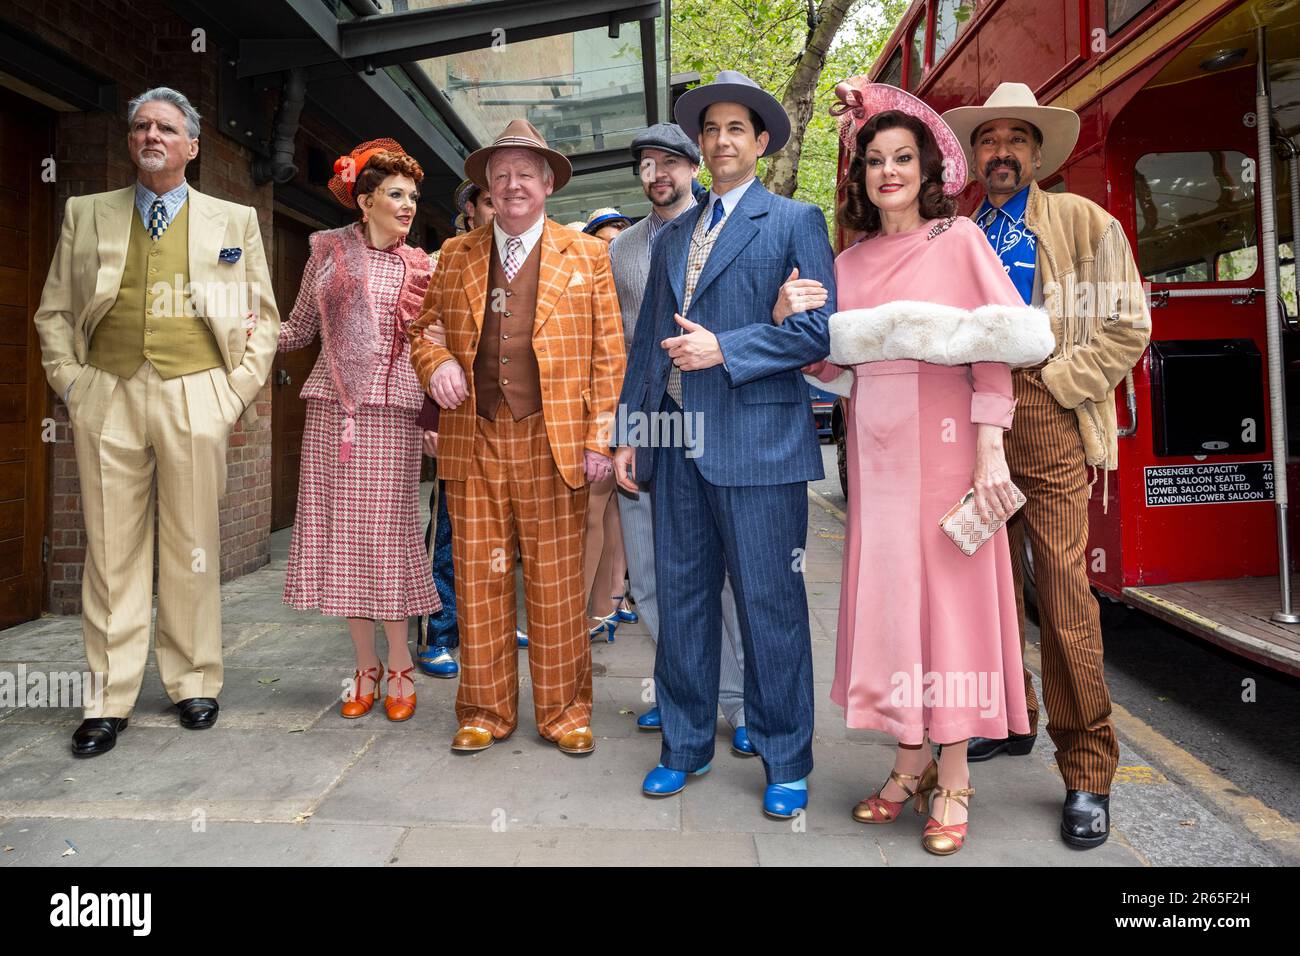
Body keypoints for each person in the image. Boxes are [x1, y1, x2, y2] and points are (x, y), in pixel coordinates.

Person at [801, 80, 1053, 854]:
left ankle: (955, 775)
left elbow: (996, 352)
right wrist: (794, 320)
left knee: (949, 613)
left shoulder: (962, 242)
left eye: (902, 157)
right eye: (875, 160)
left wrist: (988, 448)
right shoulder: (848, 261)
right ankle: (906, 763)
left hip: (948, 453)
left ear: (927, 167)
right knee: (893, 610)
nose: (888, 172)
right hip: (872, 463)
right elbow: (829, 374)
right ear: (861, 176)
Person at [612, 71, 835, 817]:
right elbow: (648, 347)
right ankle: (682, 746)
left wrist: (726, 349)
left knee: (771, 606)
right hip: (676, 448)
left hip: (761, 447)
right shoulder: (673, 233)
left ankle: (785, 758)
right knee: (682, 604)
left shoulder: (797, 221)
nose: (721, 140)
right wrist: (631, 438)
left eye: (735, 128)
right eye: (710, 130)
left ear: (761, 142)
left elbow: (816, 332)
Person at [32, 87, 279, 756]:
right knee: (111, 552)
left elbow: (265, 322)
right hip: (107, 392)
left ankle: (194, 680)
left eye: (167, 128)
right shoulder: (88, 213)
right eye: (141, 126)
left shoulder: (233, 219)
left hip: (195, 392)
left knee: (192, 544)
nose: (152, 136)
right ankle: (108, 699)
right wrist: (74, 384)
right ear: (130, 140)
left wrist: (230, 397)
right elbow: (54, 312)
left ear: (192, 146)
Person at [942, 83, 1151, 847]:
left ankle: (1088, 772)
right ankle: (1015, 718)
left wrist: (1057, 386)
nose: (1001, 152)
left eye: (1015, 140)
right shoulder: (958, 230)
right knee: (985, 589)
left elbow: (1130, 323)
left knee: (1063, 596)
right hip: (966, 420)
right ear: (977, 155)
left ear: (1036, 153)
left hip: (1046, 418)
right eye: (988, 140)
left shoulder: (1081, 222)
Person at [409, 119, 625, 756]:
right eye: (499, 175)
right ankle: (483, 710)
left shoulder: (586, 255)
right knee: (478, 580)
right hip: (474, 438)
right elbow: (425, 332)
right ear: (485, 187)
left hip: (552, 439)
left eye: (525, 174)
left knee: (557, 585)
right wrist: (436, 364)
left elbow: (609, 356)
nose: (512, 185)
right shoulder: (455, 256)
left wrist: (600, 439)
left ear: (548, 183)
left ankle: (564, 713)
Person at [279, 139, 440, 722]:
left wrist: (433, 417)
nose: (408, 206)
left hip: (393, 413)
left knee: (388, 535)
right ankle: (364, 666)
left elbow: (431, 346)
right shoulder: (326, 251)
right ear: (365, 200)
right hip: (331, 411)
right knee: (344, 538)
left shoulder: (422, 265)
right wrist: (241, 330)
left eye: (413, 197)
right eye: (396, 195)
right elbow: (297, 330)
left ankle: (400, 663)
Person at [608, 122, 754, 755]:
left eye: (669, 162)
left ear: (694, 167)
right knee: (649, 572)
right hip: (652, 419)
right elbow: (624, 349)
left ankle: (740, 701)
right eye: (645, 164)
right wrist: (624, 433)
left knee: (718, 576)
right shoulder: (625, 249)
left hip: (716, 420)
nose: (656, 173)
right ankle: (681, 692)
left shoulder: (724, 228)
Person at [416, 177, 495, 681]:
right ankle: (438, 634)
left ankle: (487, 625)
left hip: (516, 428)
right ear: (470, 210)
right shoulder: (447, 260)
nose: (501, 205)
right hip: (458, 419)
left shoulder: (534, 258)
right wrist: (431, 419)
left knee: (499, 540)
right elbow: (425, 336)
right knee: (449, 532)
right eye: (489, 199)